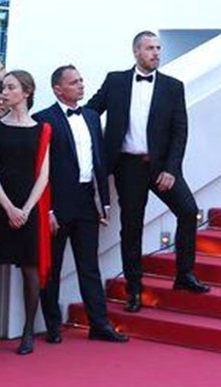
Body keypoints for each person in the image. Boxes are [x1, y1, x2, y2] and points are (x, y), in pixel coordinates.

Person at [87, 31, 212, 307]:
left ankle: (184, 274)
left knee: (188, 211)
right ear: (136, 52)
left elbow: (180, 131)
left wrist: (171, 169)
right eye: (149, 48)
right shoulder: (115, 81)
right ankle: (134, 288)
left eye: (158, 48)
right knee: (131, 227)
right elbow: (90, 112)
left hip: (161, 167)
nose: (156, 53)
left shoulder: (173, 86)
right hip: (127, 166)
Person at [34, 65, 125, 346]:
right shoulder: (43, 119)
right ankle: (51, 326)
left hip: (88, 201)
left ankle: (99, 324)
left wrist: (104, 204)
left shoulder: (91, 117)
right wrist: (47, 210)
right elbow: (39, 169)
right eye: (74, 82)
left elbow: (98, 161)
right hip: (58, 204)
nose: (81, 86)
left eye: (81, 80)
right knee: (53, 267)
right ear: (57, 89)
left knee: (89, 266)